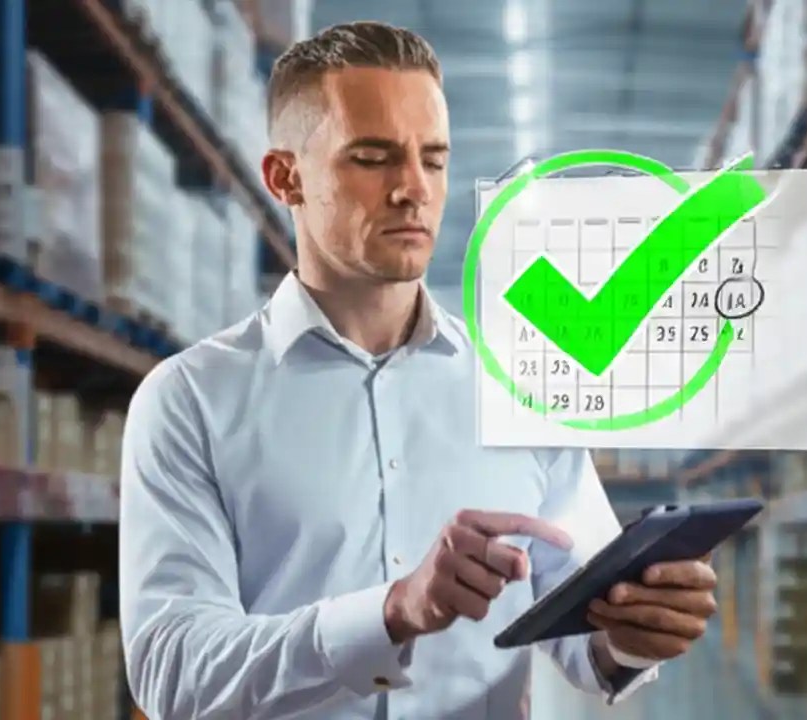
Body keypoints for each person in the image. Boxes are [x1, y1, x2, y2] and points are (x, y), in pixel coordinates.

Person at [119, 20, 719, 720]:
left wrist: (637, 630)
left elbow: (584, 636)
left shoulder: (519, 384)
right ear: (286, 177)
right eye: (372, 158)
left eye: (432, 160)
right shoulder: (191, 400)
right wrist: (391, 613)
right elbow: (170, 669)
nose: (413, 189)